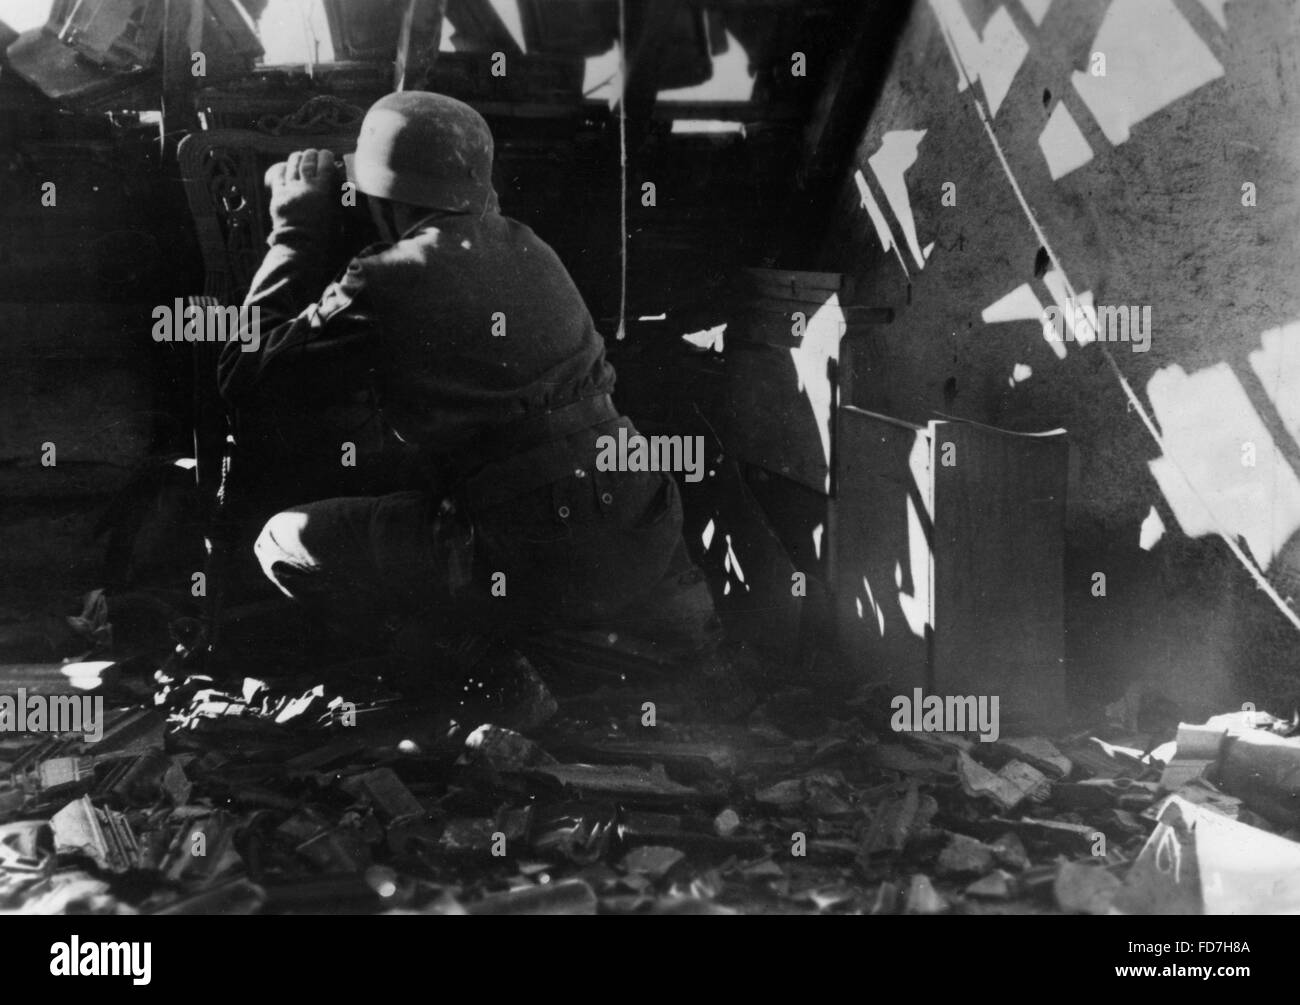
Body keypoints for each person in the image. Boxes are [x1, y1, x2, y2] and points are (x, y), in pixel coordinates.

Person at [217, 91, 707, 722]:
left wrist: (293, 234)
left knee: (281, 542)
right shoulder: (531, 245)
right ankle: (576, 650)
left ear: (380, 198)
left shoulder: (386, 273)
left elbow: (244, 375)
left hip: (537, 553)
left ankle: (490, 669)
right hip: (643, 528)